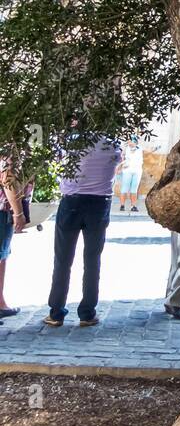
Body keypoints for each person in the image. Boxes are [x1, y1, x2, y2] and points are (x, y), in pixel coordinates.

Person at [44, 136, 122, 328]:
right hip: (99, 204)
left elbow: (57, 162)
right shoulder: (113, 144)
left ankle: (56, 312)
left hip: (72, 201)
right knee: (93, 261)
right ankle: (87, 313)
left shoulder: (71, 141)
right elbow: (118, 165)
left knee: (62, 260)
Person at [0, 157, 30, 321]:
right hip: (2, 209)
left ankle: (1, 303)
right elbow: (7, 179)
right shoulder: (8, 147)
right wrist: (18, 213)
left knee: (3, 256)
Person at [116, 137, 144, 212]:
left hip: (137, 170)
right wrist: (120, 167)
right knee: (124, 188)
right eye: (130, 141)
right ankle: (122, 205)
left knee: (134, 189)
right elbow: (122, 157)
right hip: (127, 170)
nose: (131, 142)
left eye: (133, 141)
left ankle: (133, 206)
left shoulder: (140, 149)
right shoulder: (126, 148)